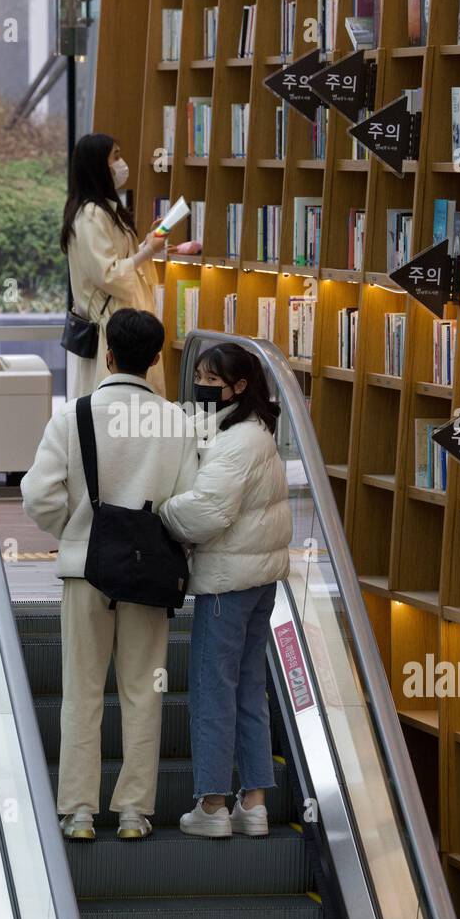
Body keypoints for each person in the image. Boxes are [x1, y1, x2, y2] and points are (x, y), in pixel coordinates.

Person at [21, 308, 198, 840]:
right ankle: (134, 811)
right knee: (145, 689)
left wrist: (76, 534)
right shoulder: (177, 421)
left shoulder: (74, 415)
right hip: (150, 575)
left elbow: (38, 495)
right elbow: (190, 504)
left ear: (108, 354)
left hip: (84, 572)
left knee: (82, 689)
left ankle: (78, 810)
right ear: (155, 359)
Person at [159, 344, 292, 838]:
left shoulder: (237, 442)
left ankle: (213, 804)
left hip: (227, 585)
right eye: (198, 376)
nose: (202, 386)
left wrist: (161, 514)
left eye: (212, 379)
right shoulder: (255, 432)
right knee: (248, 690)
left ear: (240, 386)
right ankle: (253, 802)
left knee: (214, 690)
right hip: (258, 580)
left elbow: (207, 512)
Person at [61, 133, 167, 398]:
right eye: (116, 156)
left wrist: (146, 246)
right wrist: (147, 252)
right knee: (118, 400)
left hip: (122, 319)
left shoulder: (104, 210)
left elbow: (117, 262)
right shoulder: (90, 215)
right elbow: (108, 274)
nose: (122, 163)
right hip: (112, 322)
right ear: (99, 164)